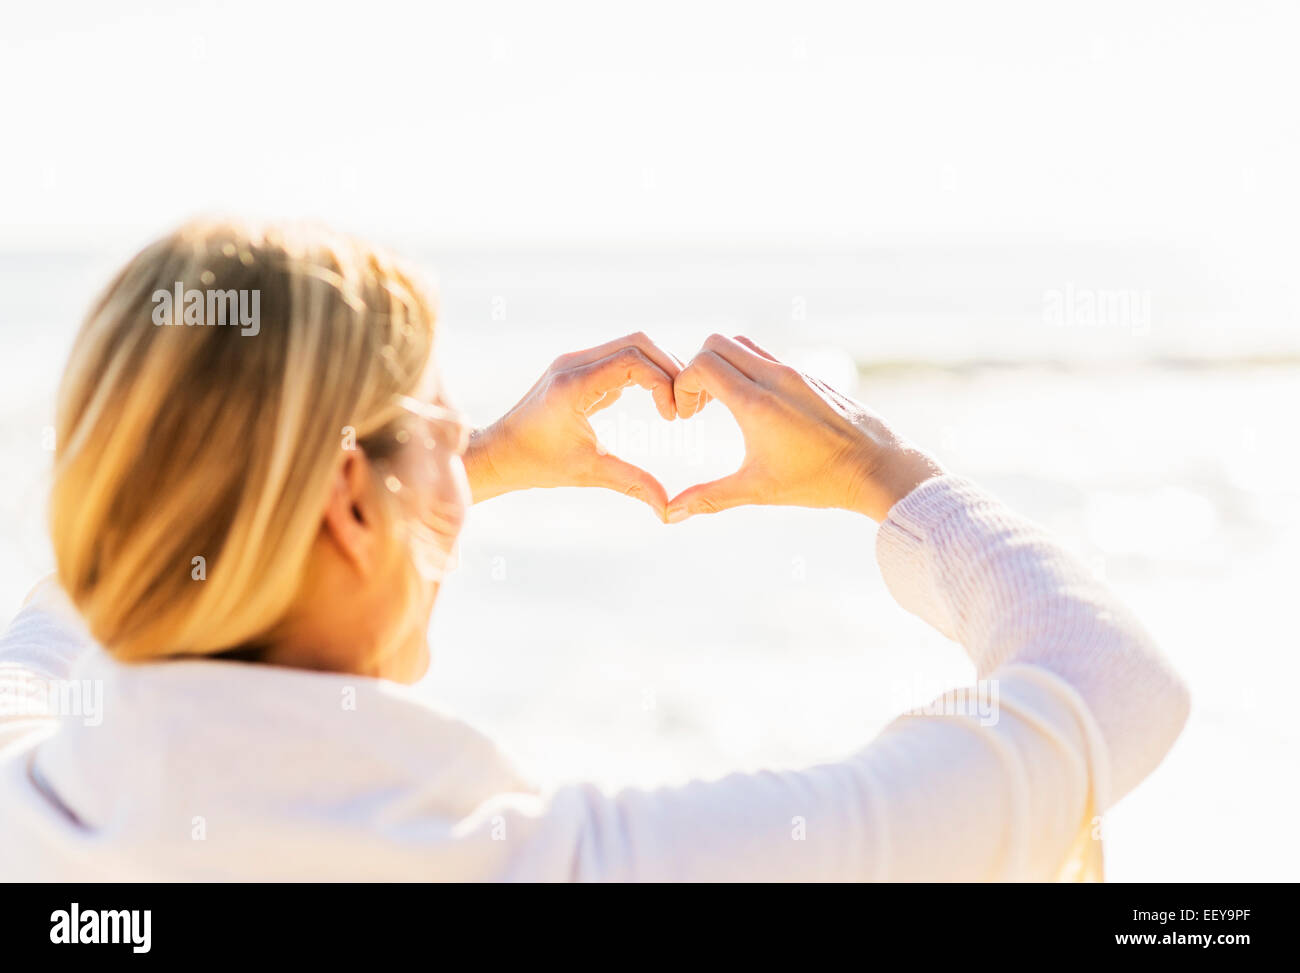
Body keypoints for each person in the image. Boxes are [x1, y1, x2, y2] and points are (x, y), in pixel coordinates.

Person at [0, 221, 1188, 880]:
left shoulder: (35, 807)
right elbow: (1112, 686)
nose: (465, 444)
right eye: (439, 424)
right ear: (350, 504)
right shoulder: (576, 867)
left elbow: (93, 598)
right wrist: (874, 469)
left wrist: (457, 471)